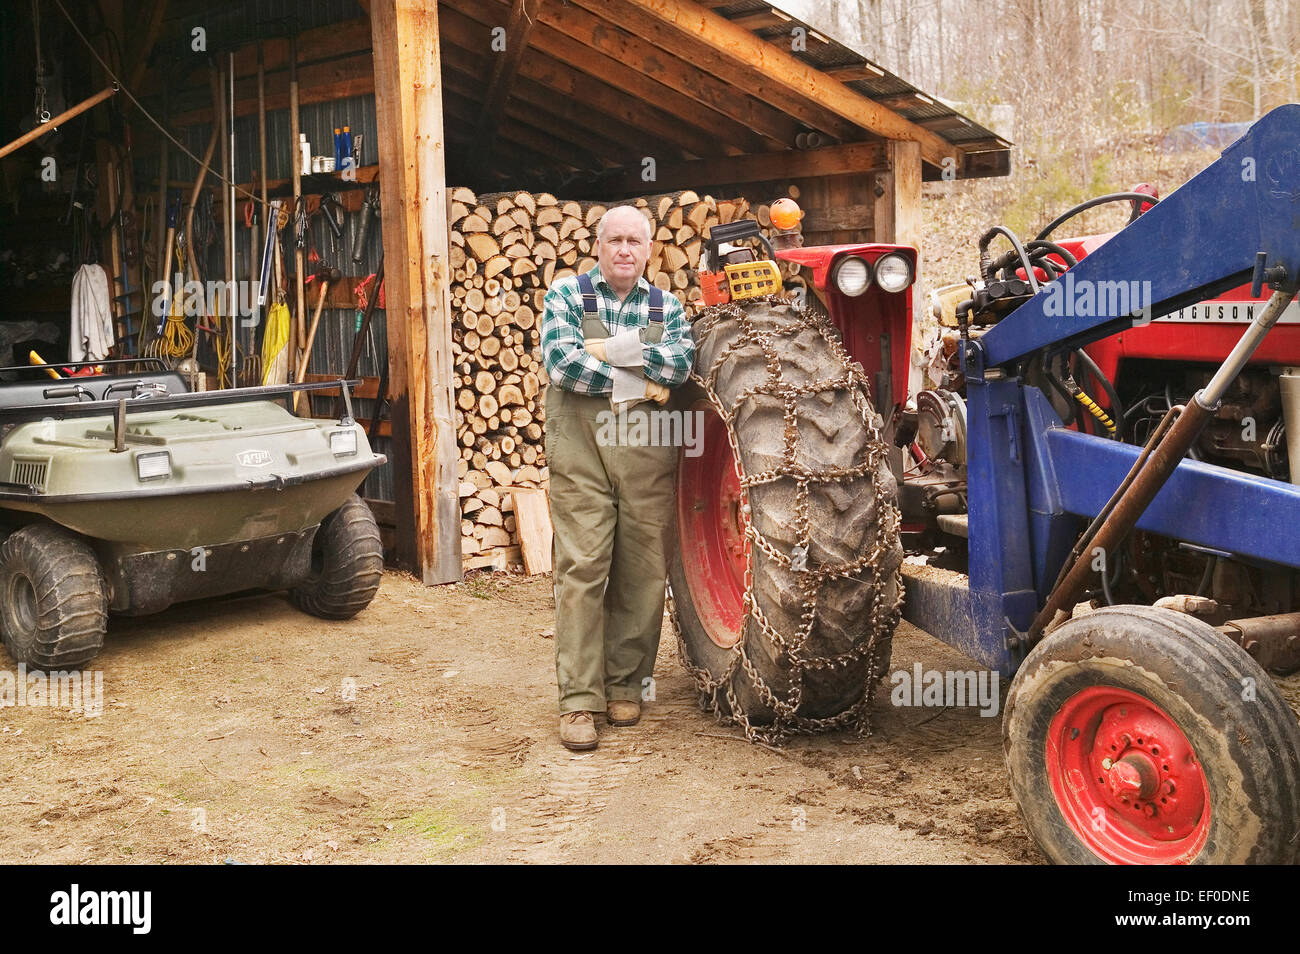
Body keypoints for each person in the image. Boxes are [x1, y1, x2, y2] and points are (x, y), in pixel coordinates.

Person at [540, 204, 696, 751]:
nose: (624, 250)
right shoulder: (566, 294)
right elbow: (564, 366)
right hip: (580, 451)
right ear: (598, 246)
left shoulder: (666, 305)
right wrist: (642, 378)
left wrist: (603, 352)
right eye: (615, 240)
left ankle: (626, 685)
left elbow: (680, 367)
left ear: (649, 249)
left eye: (634, 241)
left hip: (646, 452)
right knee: (582, 566)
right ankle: (579, 701)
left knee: (644, 567)